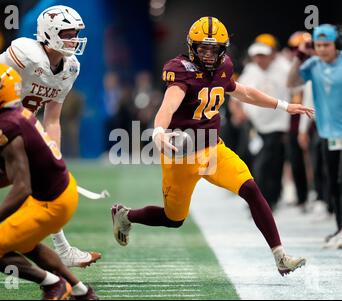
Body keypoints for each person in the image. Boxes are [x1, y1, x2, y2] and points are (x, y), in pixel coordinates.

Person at [111, 17, 313, 275]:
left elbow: (243, 91)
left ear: (223, 49)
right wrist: (159, 130)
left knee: (251, 188)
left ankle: (280, 256)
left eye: (214, 48)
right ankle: (126, 216)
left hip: (212, 150)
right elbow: (169, 104)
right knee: (174, 220)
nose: (208, 54)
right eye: (203, 48)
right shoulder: (180, 69)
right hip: (180, 156)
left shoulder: (224, 67)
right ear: (192, 46)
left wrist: (284, 106)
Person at [0, 5, 101, 267]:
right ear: (49, 33)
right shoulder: (26, 54)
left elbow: (52, 118)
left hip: (19, 129)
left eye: (75, 33)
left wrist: (54, 153)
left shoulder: (71, 67)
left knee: (40, 183)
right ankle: (62, 251)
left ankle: (63, 250)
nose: (74, 38)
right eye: (68, 32)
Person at [0, 63, 98, 299]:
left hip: (50, 202)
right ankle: (82, 291)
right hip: (60, 191)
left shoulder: (4, 128)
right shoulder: (16, 116)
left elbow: (22, 187)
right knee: (26, 243)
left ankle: (53, 284)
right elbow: (12, 172)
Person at [287, 24, 342, 248]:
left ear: (336, 44)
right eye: (318, 45)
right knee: (334, 184)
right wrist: (300, 54)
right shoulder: (313, 65)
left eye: (326, 45)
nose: (322, 49)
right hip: (328, 133)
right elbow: (291, 83)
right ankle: (339, 228)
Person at [229, 40, 291, 210]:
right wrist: (238, 112)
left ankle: (271, 198)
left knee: (273, 163)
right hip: (255, 125)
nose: (259, 59)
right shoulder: (251, 71)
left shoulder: (284, 69)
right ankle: (261, 200)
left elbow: (294, 92)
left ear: (271, 55)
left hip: (277, 125)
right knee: (256, 161)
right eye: (256, 56)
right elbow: (237, 94)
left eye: (263, 55)